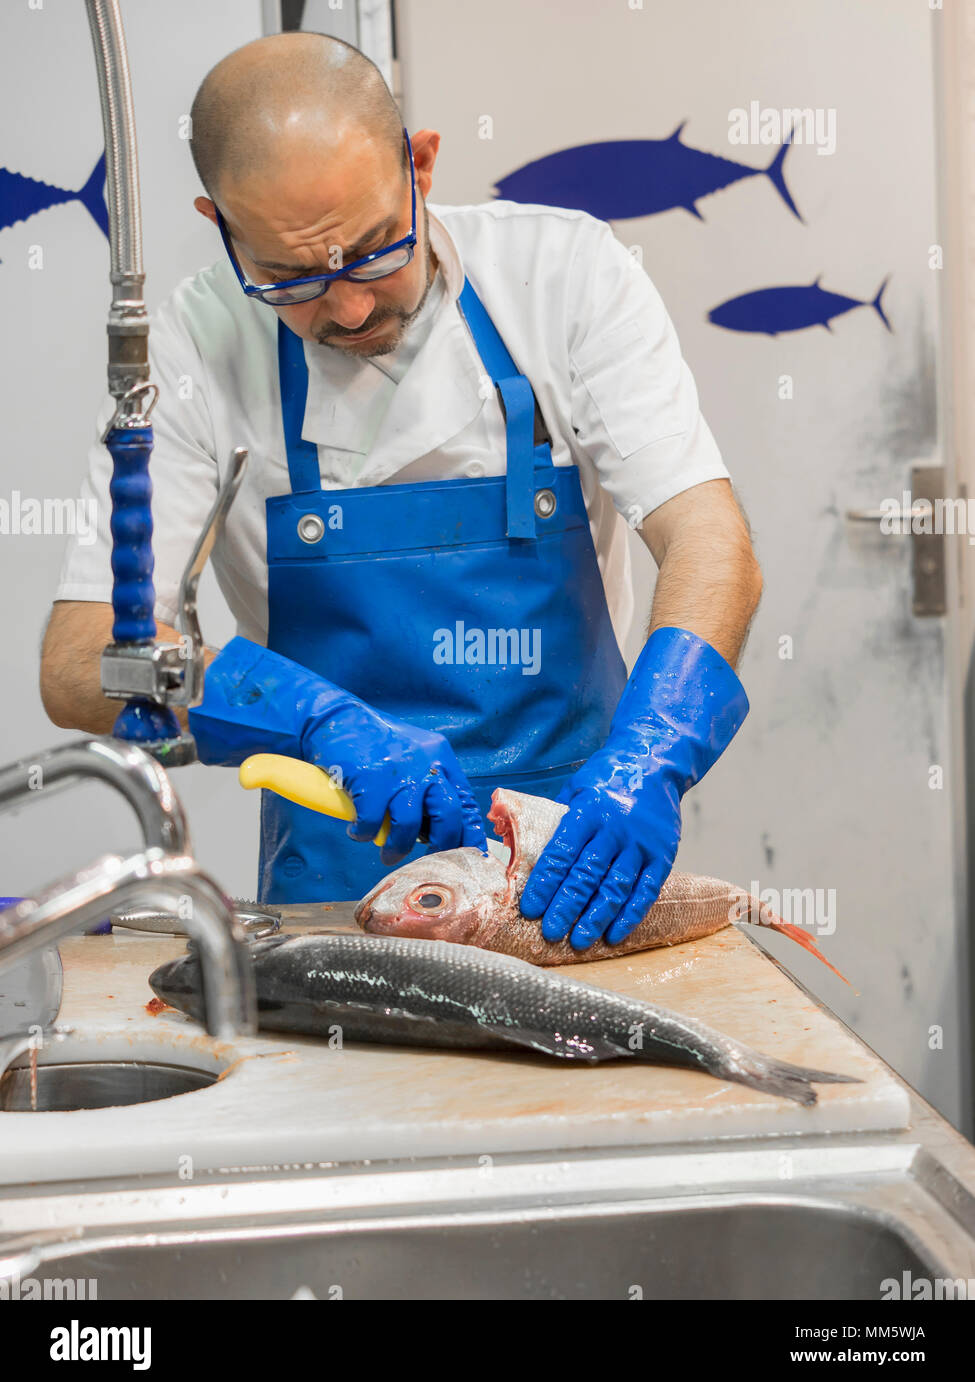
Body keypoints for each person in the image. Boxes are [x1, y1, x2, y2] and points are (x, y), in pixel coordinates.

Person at [41, 32, 762, 950]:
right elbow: (79, 660)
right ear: (219, 224)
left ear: (418, 166)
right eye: (290, 277)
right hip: (338, 889)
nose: (345, 308)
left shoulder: (562, 277)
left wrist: (651, 757)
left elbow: (709, 538)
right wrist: (315, 717)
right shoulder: (193, 345)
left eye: (374, 252)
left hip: (568, 857)